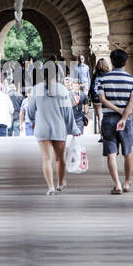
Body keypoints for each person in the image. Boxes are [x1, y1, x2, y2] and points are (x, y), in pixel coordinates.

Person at [25, 65, 80, 195]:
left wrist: (33, 122)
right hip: (59, 128)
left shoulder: (36, 89)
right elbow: (68, 112)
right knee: (60, 159)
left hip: (42, 128)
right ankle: (60, 183)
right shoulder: (62, 90)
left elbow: (31, 110)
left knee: (46, 158)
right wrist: (74, 128)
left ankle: (50, 186)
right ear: (57, 75)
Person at [94, 48, 133, 194]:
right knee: (128, 152)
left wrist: (116, 110)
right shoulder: (132, 80)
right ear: (126, 62)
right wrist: (124, 115)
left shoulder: (103, 79)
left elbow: (102, 100)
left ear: (112, 62)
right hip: (125, 120)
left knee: (111, 153)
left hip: (108, 119)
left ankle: (117, 184)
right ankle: (127, 182)